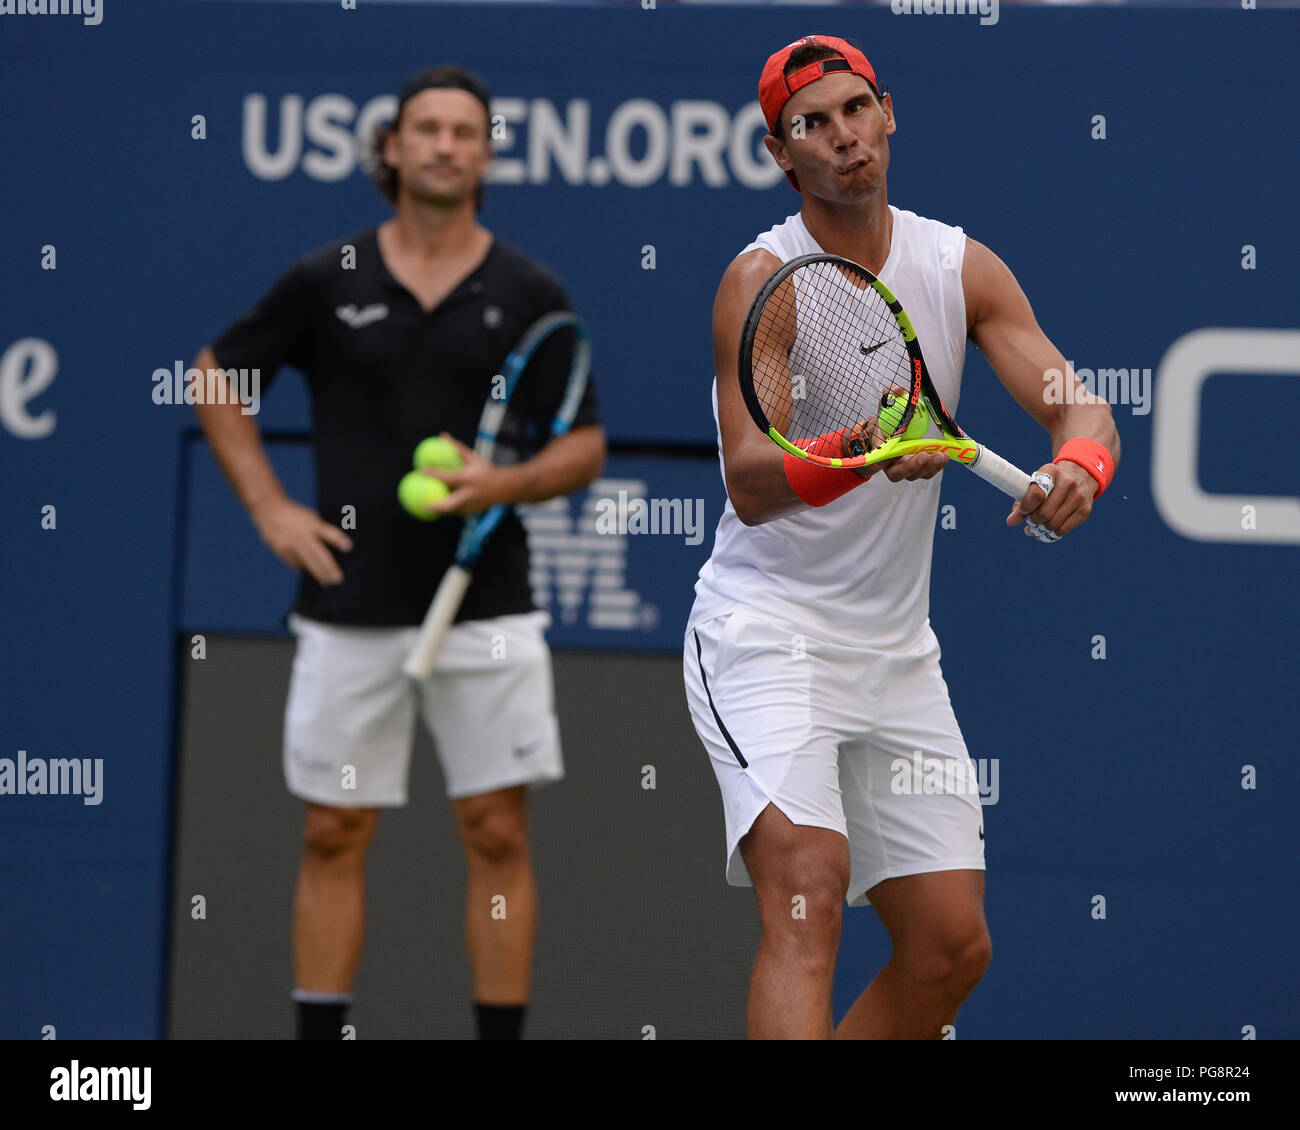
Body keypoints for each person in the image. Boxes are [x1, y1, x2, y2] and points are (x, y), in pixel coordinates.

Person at [683, 35, 1118, 1039]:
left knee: (949, 946)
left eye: (854, 110)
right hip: (764, 635)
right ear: (778, 153)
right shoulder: (760, 281)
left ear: (888, 115)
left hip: (893, 652)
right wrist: (863, 449)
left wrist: (1076, 467)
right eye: (812, 125)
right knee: (808, 889)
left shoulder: (959, 266)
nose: (842, 138)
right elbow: (751, 481)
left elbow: (1078, 406)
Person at [192, 65, 604, 1040]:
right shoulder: (324, 277)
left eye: (465, 131)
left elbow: (582, 444)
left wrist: (500, 485)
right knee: (334, 830)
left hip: (489, 608)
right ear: (391, 149)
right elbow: (214, 378)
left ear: (485, 155)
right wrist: (268, 506)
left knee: (497, 831)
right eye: (426, 128)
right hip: (348, 599)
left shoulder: (526, 288)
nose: (445, 145)